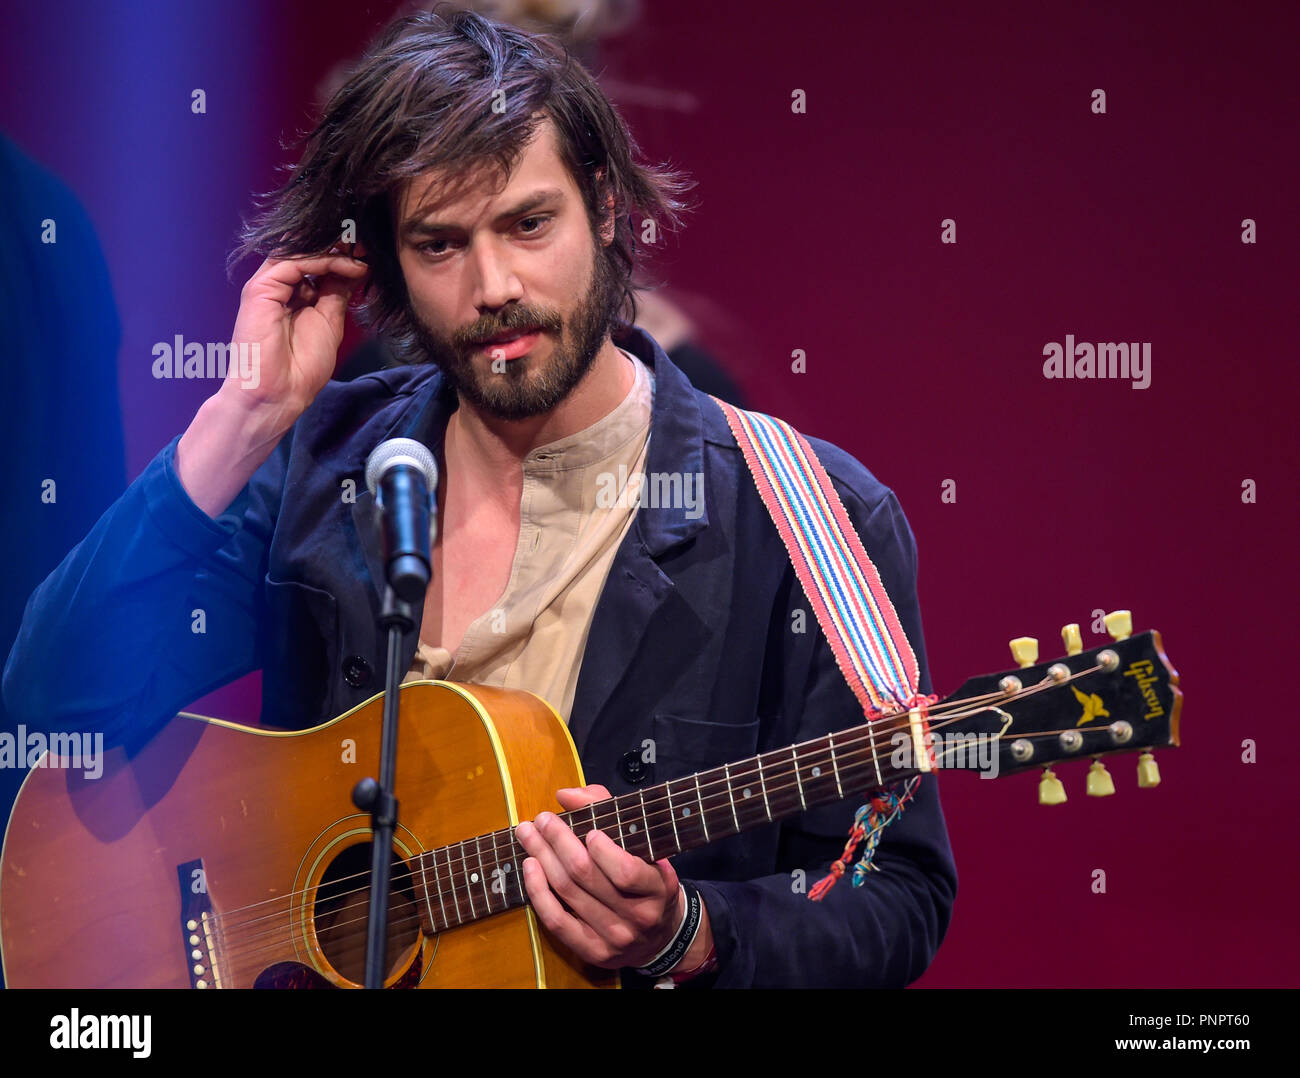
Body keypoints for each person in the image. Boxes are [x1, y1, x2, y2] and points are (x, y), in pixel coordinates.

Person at [2, 9, 956, 988]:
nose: (493, 283)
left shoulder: (807, 516)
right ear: (387, 268)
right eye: (440, 244)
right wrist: (241, 419)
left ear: (607, 210)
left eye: (528, 223)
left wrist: (692, 934)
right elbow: (51, 699)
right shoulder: (323, 468)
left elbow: (896, 892)